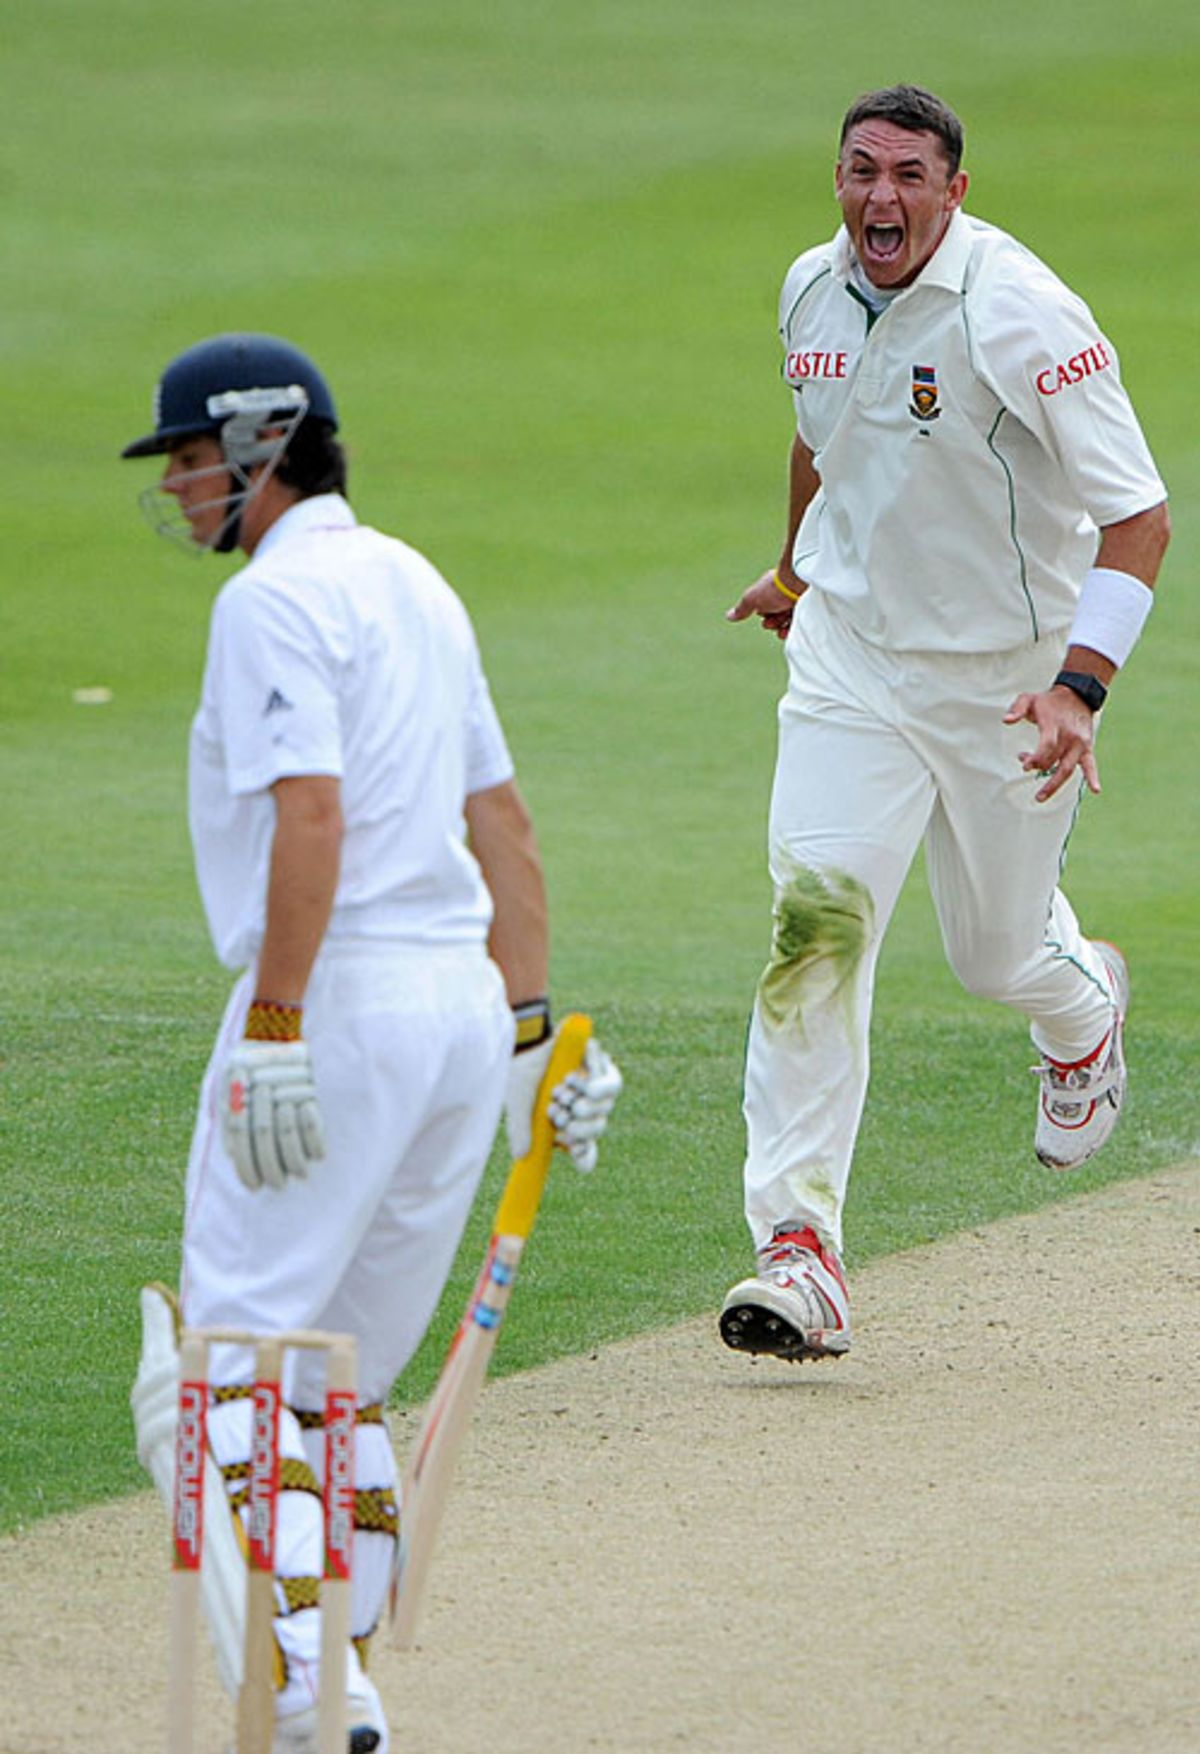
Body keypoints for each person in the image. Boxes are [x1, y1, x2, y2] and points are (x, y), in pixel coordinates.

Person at [123, 333, 622, 1753]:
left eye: (188, 456)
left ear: (259, 447)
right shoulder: (417, 580)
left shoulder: (272, 604)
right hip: (458, 1017)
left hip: (332, 1002)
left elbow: (312, 816)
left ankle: (311, 1690)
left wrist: (277, 1020)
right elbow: (503, 824)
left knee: (224, 1369)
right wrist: (528, 1035)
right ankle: (336, 1672)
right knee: (336, 1376)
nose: (175, 484)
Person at [718, 86, 1169, 1365]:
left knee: (994, 954)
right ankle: (798, 1252)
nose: (882, 199)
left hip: (1006, 684)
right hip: (852, 664)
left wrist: (1078, 688)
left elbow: (1137, 516)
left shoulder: (1018, 311)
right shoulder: (813, 286)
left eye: (911, 175)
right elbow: (828, 438)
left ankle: (1080, 1008)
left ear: (955, 191)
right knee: (816, 927)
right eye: (862, 171)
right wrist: (800, 572)